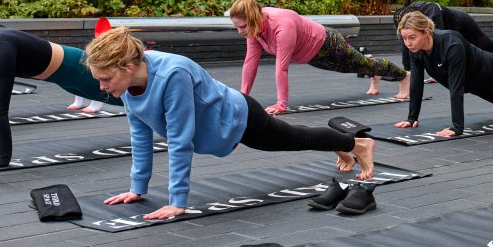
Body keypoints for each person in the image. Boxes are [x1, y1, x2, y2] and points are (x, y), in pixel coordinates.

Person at [86, 27, 375, 219]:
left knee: (296, 139)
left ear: (128, 66)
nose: (102, 87)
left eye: (105, 79)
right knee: (298, 138)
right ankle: (341, 144)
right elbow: (140, 136)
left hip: (241, 117)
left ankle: (357, 143)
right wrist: (137, 188)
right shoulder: (125, 83)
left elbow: (179, 139)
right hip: (221, 124)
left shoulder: (172, 75)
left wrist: (177, 201)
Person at [0, 5, 120, 168]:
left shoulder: (0, 48)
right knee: (127, 101)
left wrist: (2, 160)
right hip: (65, 80)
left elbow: (0, 110)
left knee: (131, 99)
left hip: (78, 68)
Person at [231, 0, 409, 113]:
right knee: (351, 68)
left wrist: (281, 104)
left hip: (328, 44)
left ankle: (403, 75)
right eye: (237, 27)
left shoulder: (281, 25)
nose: (240, 31)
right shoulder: (254, 29)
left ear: (253, 19)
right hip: (311, 56)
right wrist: (243, 97)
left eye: (242, 26)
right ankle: (374, 73)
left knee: (361, 63)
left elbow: (282, 68)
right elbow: (250, 62)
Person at [394, 0, 493, 76]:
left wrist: (438, 69)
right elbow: (405, 44)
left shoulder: (431, 10)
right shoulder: (403, 19)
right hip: (448, 28)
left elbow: (440, 40)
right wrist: (407, 71)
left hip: (461, 22)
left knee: (485, 44)